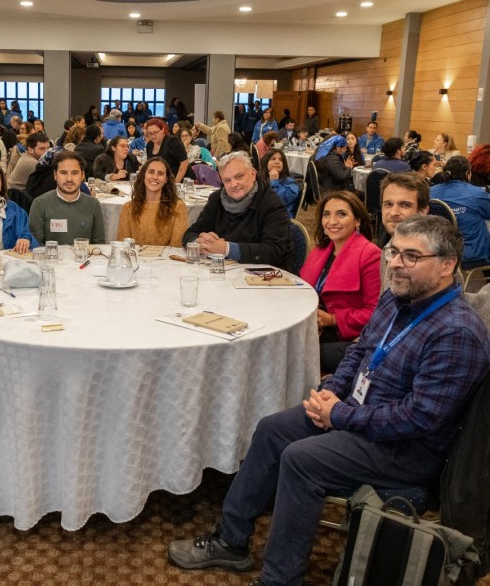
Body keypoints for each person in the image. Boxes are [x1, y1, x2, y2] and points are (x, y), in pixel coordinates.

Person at [168, 214, 490, 586]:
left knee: (301, 460)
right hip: (358, 413)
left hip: (406, 448)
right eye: (394, 252)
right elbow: (360, 349)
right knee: (272, 428)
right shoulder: (397, 298)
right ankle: (231, 539)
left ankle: (279, 579)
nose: (397, 264)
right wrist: (333, 391)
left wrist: (339, 416)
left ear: (447, 265)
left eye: (411, 256)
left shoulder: (456, 332)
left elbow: (419, 419)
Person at [300, 191, 381, 374]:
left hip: (349, 336)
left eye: (341, 214)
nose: (332, 221)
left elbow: (375, 314)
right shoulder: (320, 251)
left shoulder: (370, 255)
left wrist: (333, 320)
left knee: (293, 354)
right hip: (313, 324)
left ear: (358, 220)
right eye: (326, 214)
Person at [183, 151, 293, 270]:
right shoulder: (216, 199)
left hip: (266, 279)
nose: (234, 184)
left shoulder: (272, 204)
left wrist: (227, 249)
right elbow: (190, 233)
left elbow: (274, 251)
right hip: (223, 274)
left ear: (253, 175)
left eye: (239, 176)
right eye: (227, 180)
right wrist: (198, 243)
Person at [28, 151, 105, 245]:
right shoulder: (40, 204)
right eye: (63, 173)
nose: (69, 179)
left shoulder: (93, 204)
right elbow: (36, 246)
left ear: (82, 175)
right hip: (51, 259)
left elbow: (100, 244)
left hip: (84, 259)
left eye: (75, 173)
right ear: (55, 175)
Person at [431, 156, 490, 267]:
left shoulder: (431, 191)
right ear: (468, 173)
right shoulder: (477, 194)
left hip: (436, 249)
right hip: (469, 254)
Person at [376, 172, 430, 290]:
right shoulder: (388, 248)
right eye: (388, 204)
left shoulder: (433, 260)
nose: (394, 212)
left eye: (405, 205)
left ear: (422, 212)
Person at [117, 157, 187, 247]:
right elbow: (123, 246)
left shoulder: (178, 207)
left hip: (167, 260)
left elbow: (176, 247)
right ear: (143, 175)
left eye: (160, 174)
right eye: (151, 172)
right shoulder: (128, 208)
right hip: (135, 260)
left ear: (166, 179)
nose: (155, 177)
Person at [145, 118, 188, 183]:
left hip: (178, 180)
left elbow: (184, 164)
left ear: (162, 130)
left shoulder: (172, 141)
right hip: (160, 181)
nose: (153, 136)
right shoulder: (150, 145)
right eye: (150, 133)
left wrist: (176, 183)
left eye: (155, 132)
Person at [259, 150, 299, 216]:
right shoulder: (259, 179)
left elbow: (279, 201)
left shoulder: (290, 183)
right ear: (266, 162)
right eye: (273, 159)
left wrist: (274, 181)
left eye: (281, 160)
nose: (277, 162)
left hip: (280, 219)